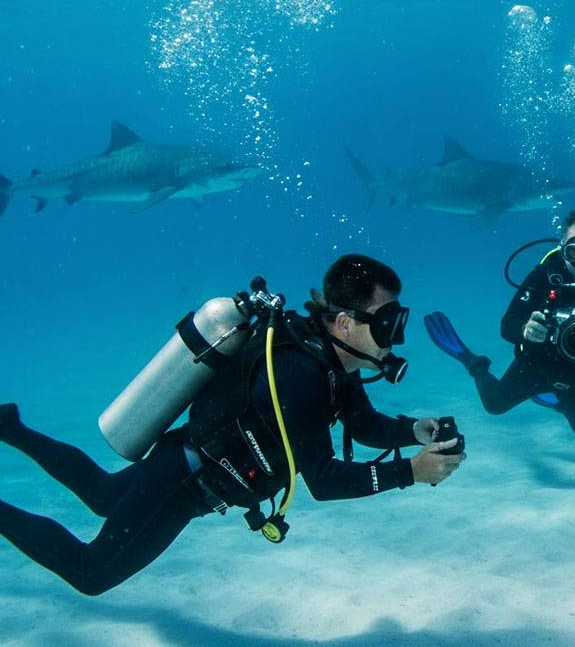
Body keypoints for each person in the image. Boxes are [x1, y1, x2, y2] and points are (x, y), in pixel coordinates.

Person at [0, 255, 465, 595]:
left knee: (103, 495)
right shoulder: (300, 373)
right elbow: (322, 480)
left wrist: (412, 431)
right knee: (91, 573)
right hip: (184, 482)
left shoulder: (327, 359)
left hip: (184, 457)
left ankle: (10, 428)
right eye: (387, 324)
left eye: (397, 322)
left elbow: (362, 424)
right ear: (344, 323)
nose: (395, 339)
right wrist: (411, 472)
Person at [425, 208, 575, 437]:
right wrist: (525, 329)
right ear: (562, 247)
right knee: (494, 405)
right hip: (536, 363)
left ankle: (554, 398)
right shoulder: (547, 273)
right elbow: (507, 325)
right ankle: (474, 363)